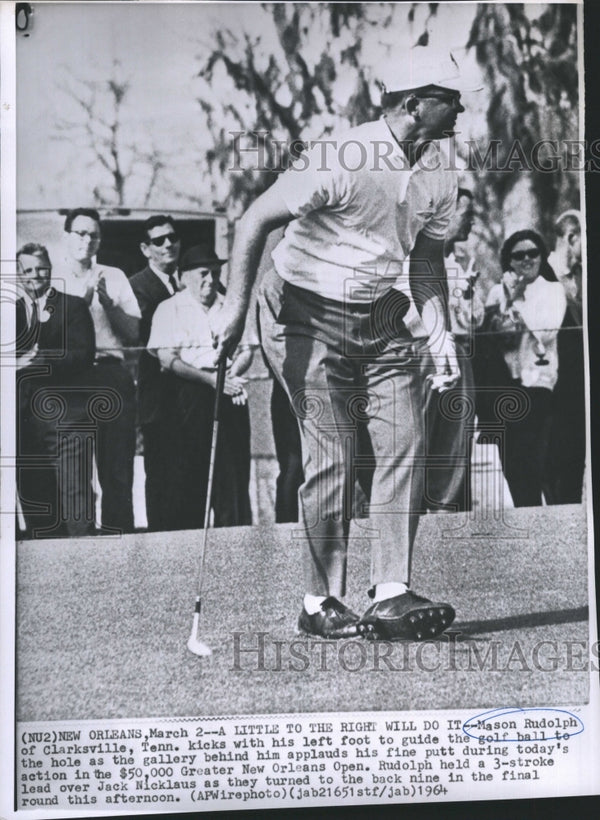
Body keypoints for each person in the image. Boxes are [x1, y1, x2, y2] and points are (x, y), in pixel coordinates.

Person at [209, 50, 473, 641]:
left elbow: (427, 260)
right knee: (333, 452)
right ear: (414, 104)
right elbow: (253, 221)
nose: (460, 107)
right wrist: (233, 311)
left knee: (406, 436)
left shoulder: (441, 167)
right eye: (450, 98)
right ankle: (318, 601)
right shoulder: (342, 157)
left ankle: (391, 593)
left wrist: (440, 335)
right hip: (300, 310)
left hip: (379, 312)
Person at [147, 244, 253, 529]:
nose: (211, 280)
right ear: (184, 277)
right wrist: (212, 381)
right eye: (203, 273)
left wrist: (230, 377)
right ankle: (190, 542)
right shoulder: (169, 308)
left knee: (232, 476)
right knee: (188, 473)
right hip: (187, 394)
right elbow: (167, 359)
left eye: (215, 273)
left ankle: (234, 541)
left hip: (229, 390)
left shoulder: (231, 307)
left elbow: (246, 351)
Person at [52, 208, 140, 533]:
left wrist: (109, 305)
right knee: (74, 471)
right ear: (66, 236)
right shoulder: (52, 277)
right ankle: (82, 547)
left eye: (94, 235)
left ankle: (121, 543)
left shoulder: (113, 276)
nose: (87, 240)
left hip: (110, 373)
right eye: (80, 233)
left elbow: (133, 334)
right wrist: (81, 304)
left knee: (117, 469)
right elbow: (48, 336)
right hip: (70, 377)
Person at [16, 243, 96, 538]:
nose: (34, 275)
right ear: (19, 275)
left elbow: (83, 353)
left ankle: (84, 558)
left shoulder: (73, 306)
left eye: (41, 269)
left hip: (66, 416)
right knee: (35, 497)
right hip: (23, 419)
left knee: (76, 497)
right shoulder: (10, 311)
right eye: (27, 270)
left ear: (50, 269)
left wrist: (43, 359)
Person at [483, 230, 566, 508]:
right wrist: (506, 300)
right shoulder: (498, 292)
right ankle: (527, 518)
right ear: (509, 261)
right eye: (518, 256)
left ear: (541, 256)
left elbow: (546, 332)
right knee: (512, 466)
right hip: (504, 387)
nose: (527, 259)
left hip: (538, 385)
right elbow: (493, 337)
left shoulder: (552, 290)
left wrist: (518, 299)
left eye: (533, 253)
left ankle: (546, 518)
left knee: (534, 463)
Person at [424, 188, 484, 512]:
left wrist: (468, 294)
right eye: (467, 215)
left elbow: (474, 321)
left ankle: (445, 511)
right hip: (421, 355)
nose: (471, 223)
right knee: (419, 438)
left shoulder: (459, 264)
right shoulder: (415, 255)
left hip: (457, 355)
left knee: (455, 440)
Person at [130, 215, 183, 531]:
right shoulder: (136, 287)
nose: (168, 245)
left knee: (188, 475)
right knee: (162, 477)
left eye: (172, 237)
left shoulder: (196, 279)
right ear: (145, 248)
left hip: (193, 397)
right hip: (158, 398)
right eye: (159, 240)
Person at [544, 210, 585, 504]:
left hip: (580, 384)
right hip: (551, 385)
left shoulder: (585, 273)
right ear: (571, 237)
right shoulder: (542, 272)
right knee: (552, 459)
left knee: (576, 456)